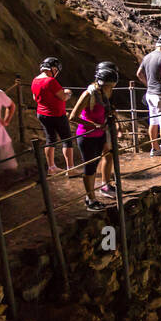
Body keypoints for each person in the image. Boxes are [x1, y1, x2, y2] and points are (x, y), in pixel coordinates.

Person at [69, 62, 119, 212]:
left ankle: (105, 186)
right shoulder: (88, 94)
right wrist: (93, 125)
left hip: (100, 134)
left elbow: (104, 109)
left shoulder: (105, 93)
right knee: (90, 168)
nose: (111, 88)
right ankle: (90, 199)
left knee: (108, 155)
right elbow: (73, 117)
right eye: (109, 85)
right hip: (87, 135)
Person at [31, 56, 75, 176]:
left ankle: (51, 167)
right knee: (67, 140)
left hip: (42, 114)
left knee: (50, 139)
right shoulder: (50, 81)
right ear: (53, 69)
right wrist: (68, 93)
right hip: (56, 114)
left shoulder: (35, 80)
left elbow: (35, 98)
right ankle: (70, 169)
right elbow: (62, 97)